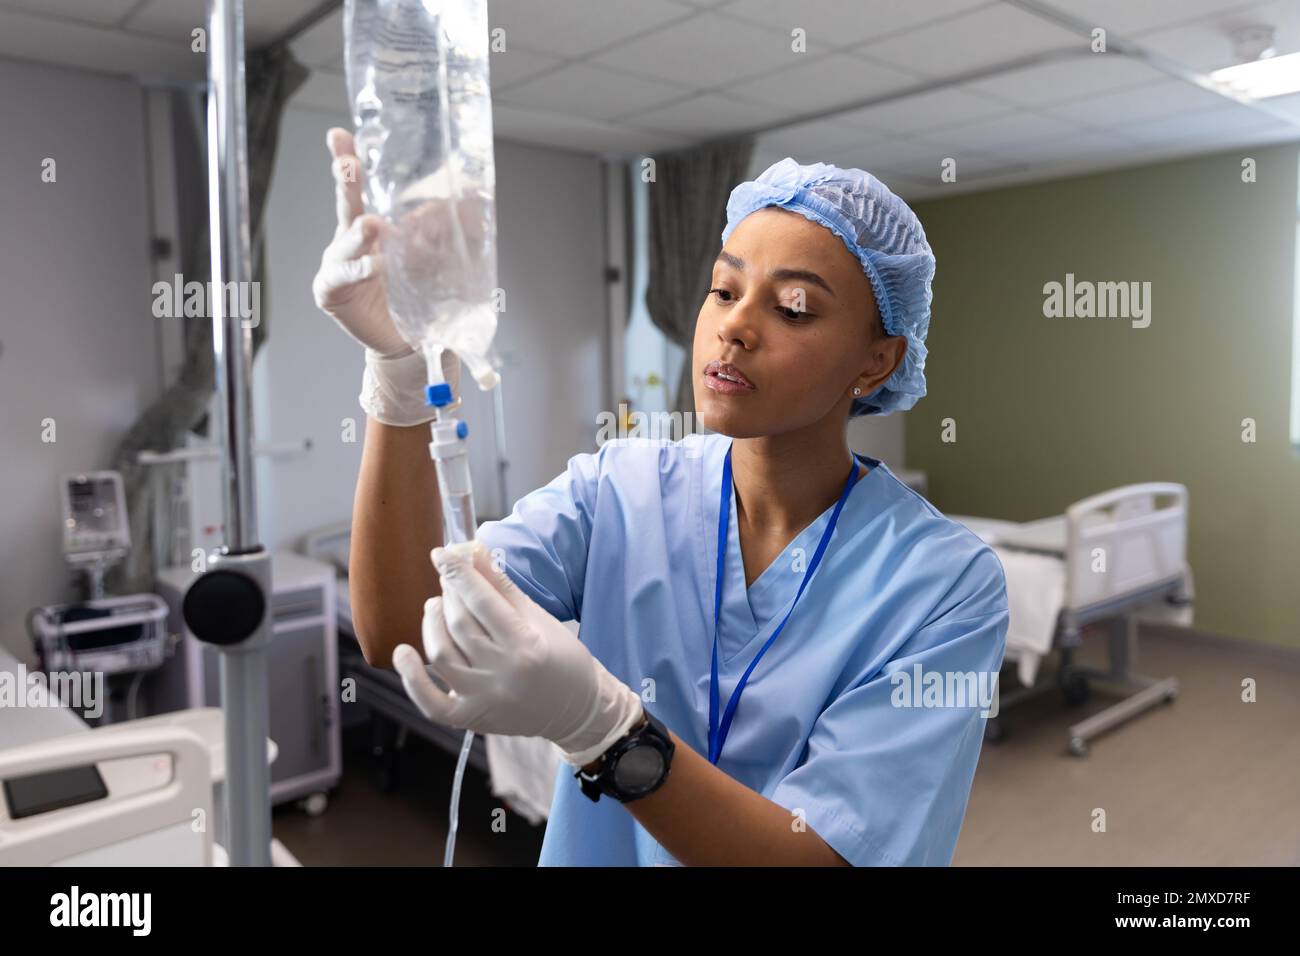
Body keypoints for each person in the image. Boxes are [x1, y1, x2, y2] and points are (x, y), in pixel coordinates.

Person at [314, 133, 1009, 866]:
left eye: (794, 308)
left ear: (878, 359)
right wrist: (398, 372)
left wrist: (607, 731)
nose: (735, 327)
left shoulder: (944, 585)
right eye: (724, 289)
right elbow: (400, 628)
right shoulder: (620, 490)